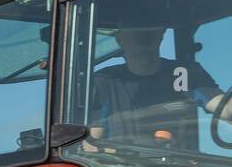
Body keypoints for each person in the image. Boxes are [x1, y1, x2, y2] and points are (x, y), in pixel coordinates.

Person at [89, 27, 229, 150]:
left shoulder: (183, 73)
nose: (144, 38)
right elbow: (92, 142)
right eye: (137, 31)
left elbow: (223, 107)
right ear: (120, 39)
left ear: (161, 34)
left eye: (151, 29)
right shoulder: (104, 81)